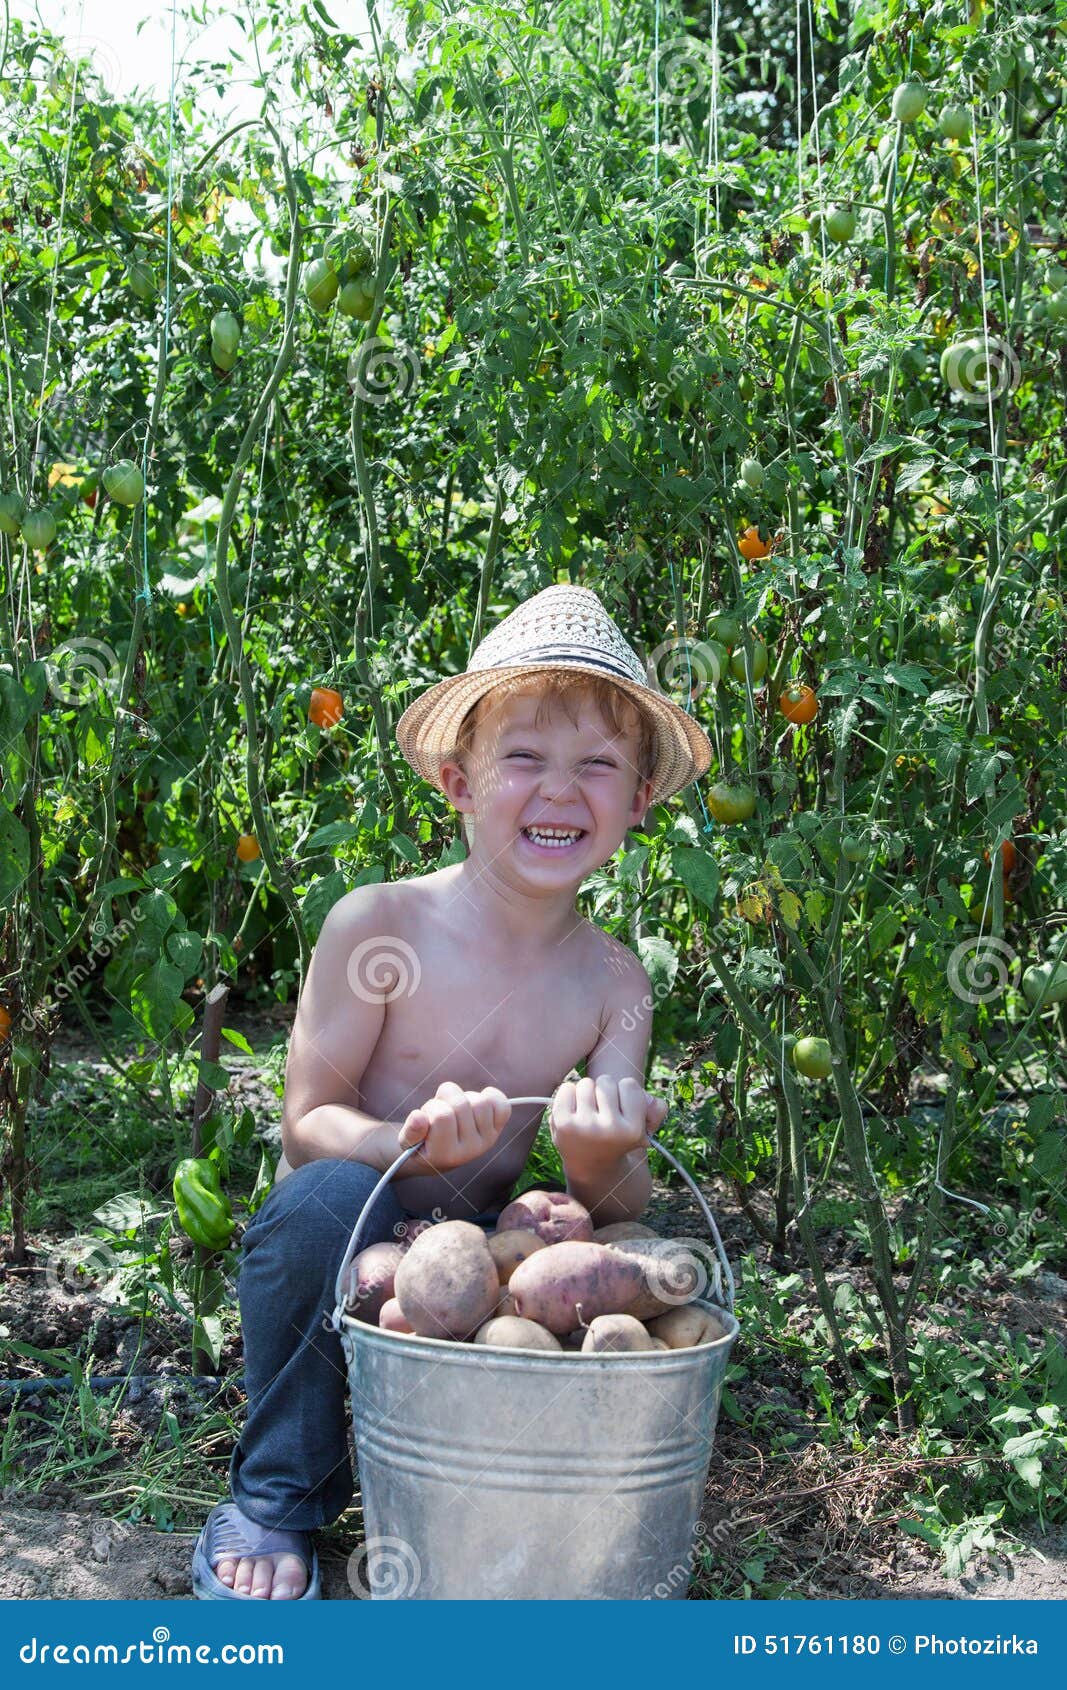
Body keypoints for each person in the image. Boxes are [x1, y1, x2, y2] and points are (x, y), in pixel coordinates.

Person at [191, 583, 713, 1599]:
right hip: (361, 1208)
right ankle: (276, 1494)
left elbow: (615, 1207)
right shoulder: (376, 923)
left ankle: (523, 1506)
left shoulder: (612, 980)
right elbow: (306, 1128)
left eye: (596, 765)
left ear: (639, 798)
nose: (558, 791)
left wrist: (602, 1154)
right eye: (522, 757)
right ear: (457, 780)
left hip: (492, 1244)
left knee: (616, 1262)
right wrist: (407, 1142)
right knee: (316, 1207)